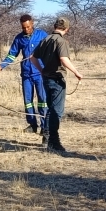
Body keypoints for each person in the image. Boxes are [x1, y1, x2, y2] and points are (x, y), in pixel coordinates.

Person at [30, 17, 83, 154]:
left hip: (46, 79)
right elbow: (63, 59)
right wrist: (76, 72)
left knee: (51, 108)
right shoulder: (61, 41)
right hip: (57, 79)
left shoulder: (45, 39)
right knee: (57, 112)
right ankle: (54, 141)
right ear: (67, 29)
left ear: (54, 26)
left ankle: (47, 138)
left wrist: (42, 71)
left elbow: (32, 57)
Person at [0, 14, 48, 139]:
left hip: (40, 73)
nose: (26, 29)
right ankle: (32, 124)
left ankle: (45, 128)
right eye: (24, 28)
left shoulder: (42, 35)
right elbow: (12, 55)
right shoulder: (19, 38)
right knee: (28, 102)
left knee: (42, 101)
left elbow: (51, 49)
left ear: (32, 23)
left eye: (28, 27)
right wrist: (2, 65)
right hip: (26, 74)